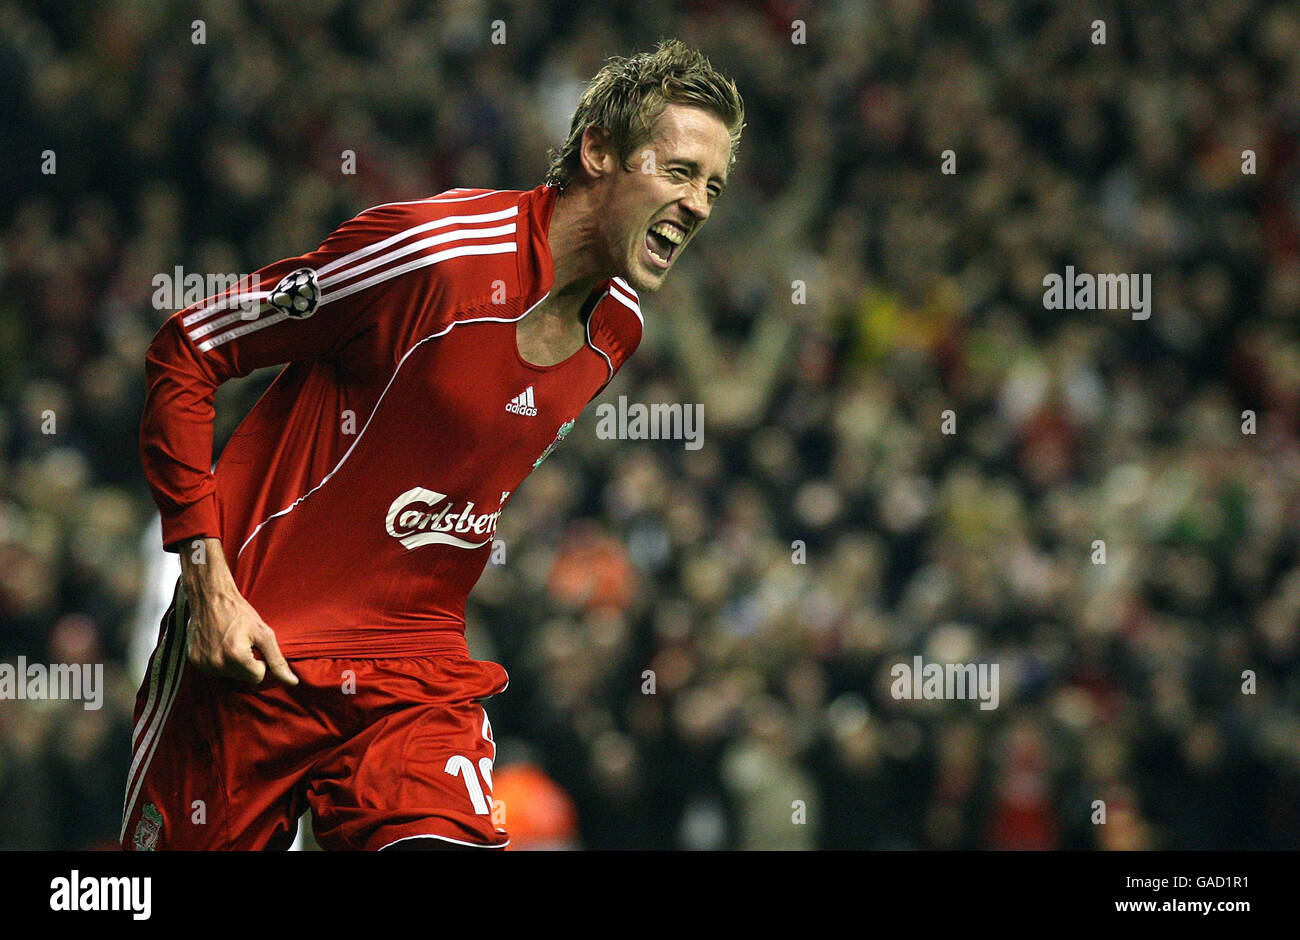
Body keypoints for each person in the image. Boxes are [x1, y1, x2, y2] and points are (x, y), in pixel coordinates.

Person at [121, 39, 744, 851]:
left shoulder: (616, 331)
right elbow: (190, 345)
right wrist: (207, 582)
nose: (698, 204)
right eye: (680, 172)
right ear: (598, 148)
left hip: (415, 679)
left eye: (714, 186)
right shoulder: (433, 258)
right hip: (254, 652)